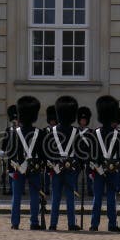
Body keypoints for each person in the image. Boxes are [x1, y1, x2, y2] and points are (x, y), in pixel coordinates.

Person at [5, 96, 46, 230]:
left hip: (18, 168)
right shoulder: (39, 133)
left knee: (16, 196)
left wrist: (10, 170)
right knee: (34, 196)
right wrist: (42, 165)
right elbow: (42, 153)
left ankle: (15, 222)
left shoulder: (15, 133)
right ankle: (34, 222)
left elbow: (10, 153)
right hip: (34, 168)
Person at [86, 95, 120, 232]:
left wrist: (91, 170)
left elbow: (91, 155)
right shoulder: (118, 134)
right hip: (112, 170)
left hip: (98, 170)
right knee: (111, 198)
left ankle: (94, 225)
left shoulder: (95, 133)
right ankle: (112, 224)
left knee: (97, 198)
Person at [45, 96, 81, 231]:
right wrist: (76, 166)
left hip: (56, 169)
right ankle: (71, 223)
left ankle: (53, 224)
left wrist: (53, 164)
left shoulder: (52, 131)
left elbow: (47, 151)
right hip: (70, 169)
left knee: (56, 197)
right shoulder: (76, 131)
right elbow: (80, 152)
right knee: (70, 197)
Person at [77, 106, 93, 198]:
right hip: (78, 156)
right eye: (81, 120)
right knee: (75, 174)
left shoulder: (90, 131)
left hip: (87, 156)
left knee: (89, 175)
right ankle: (75, 190)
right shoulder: (75, 131)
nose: (83, 121)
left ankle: (90, 190)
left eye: (84, 120)